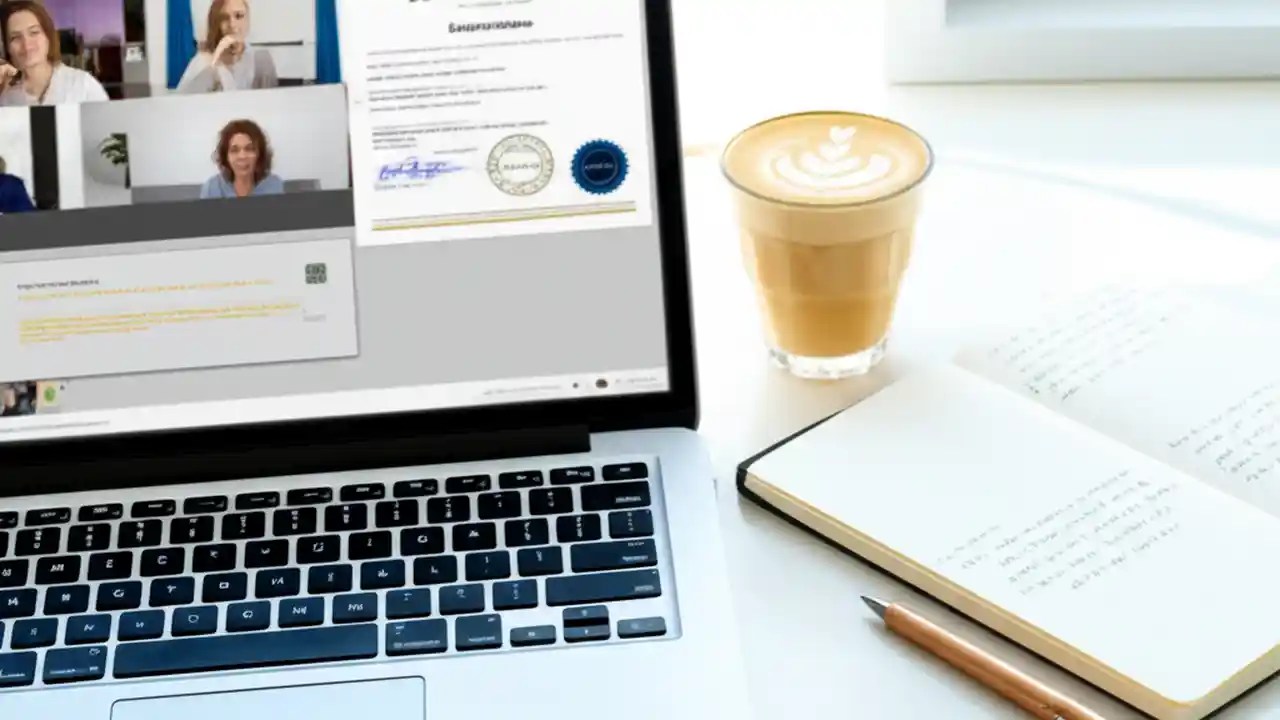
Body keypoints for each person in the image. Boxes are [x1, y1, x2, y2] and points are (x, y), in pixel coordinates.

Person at [0, 1, 109, 106]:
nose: (26, 44)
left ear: (48, 37)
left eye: (34, 32)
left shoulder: (83, 85)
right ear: (7, 47)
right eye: (15, 37)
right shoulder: (7, 99)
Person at [177, 0, 278, 94]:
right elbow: (183, 106)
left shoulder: (261, 60)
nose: (232, 25)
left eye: (239, 16)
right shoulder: (202, 63)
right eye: (224, 18)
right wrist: (215, 64)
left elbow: (271, 104)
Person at [201, 118, 284, 199]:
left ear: (259, 154)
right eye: (234, 150)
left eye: (249, 149)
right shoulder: (212, 188)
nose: (242, 156)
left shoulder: (273, 185)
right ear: (226, 156)